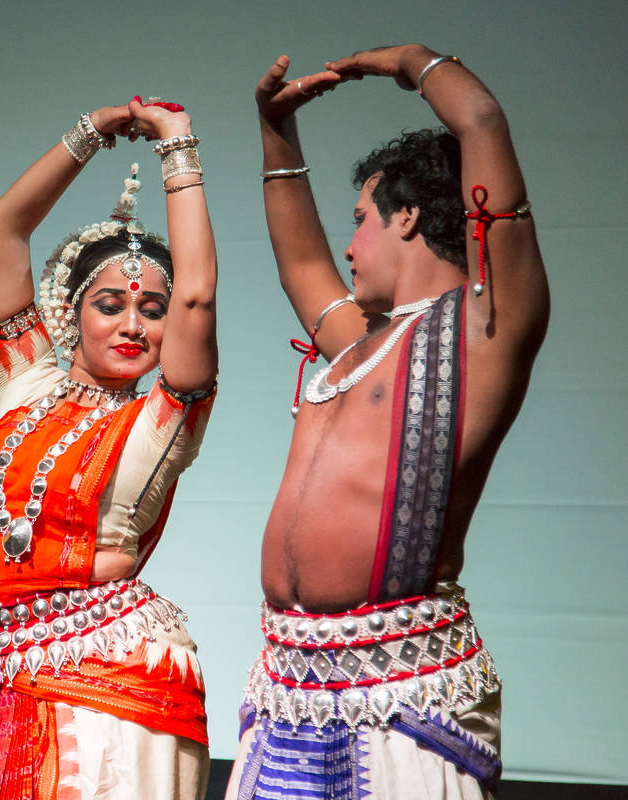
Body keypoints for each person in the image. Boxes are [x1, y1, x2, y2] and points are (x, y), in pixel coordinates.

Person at [226, 45, 549, 799]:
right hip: (287, 687)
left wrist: (414, 62)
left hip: (404, 699)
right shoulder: (357, 345)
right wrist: (276, 130)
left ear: (407, 214)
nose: (346, 244)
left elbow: (481, 120)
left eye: (360, 218)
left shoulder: (477, 335)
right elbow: (301, 265)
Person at [0, 98, 219, 800]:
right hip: (6, 680)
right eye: (112, 305)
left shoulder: (163, 418)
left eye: (151, 311)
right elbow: (1, 229)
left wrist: (177, 149)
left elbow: (197, 300)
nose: (135, 325)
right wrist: (91, 131)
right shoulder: (25, 379)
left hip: (117, 684)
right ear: (71, 310)